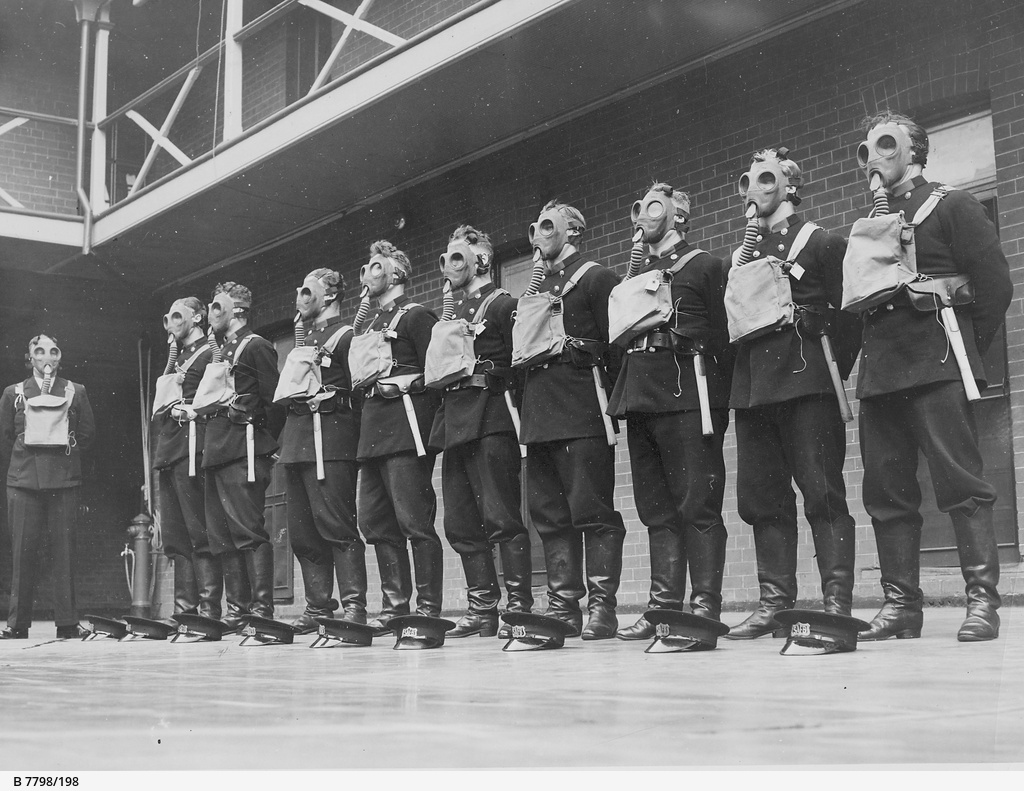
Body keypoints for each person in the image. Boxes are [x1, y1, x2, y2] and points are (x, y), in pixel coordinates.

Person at [851, 111, 1013, 642]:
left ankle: (982, 601)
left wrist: (964, 347)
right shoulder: (865, 225)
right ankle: (901, 606)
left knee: (961, 484)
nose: (874, 158)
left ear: (914, 151)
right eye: (868, 149)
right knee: (887, 494)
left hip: (936, 363)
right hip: (881, 375)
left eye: (886, 145)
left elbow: (994, 285)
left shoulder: (952, 205)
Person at [724, 148, 861, 639]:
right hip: (755, 389)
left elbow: (850, 317)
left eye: (766, 178)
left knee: (822, 492)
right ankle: (774, 603)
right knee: (764, 498)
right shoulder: (741, 259)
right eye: (749, 180)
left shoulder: (822, 243)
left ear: (790, 185)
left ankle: (836, 600)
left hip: (806, 382)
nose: (755, 189)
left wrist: (825, 374)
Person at [608, 184, 733, 640]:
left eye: (655, 207)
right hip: (641, 396)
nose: (645, 215)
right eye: (640, 207)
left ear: (680, 215)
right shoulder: (632, 275)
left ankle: (703, 604)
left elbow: (725, 336)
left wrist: (716, 400)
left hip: (688, 393)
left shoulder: (706, 266)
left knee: (697, 503)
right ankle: (663, 605)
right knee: (656, 509)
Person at [515, 200, 626, 639]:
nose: (540, 235)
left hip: (582, 412)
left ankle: (602, 607)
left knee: (592, 510)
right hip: (540, 417)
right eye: (536, 227)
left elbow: (617, 347)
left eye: (548, 226)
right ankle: (563, 605)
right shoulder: (534, 289)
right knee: (549, 515)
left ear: (573, 231)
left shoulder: (597, 279)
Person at [428, 225, 533, 638]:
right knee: (460, 521)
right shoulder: (450, 313)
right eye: (448, 258)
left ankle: (519, 607)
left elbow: (521, 366)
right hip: (455, 422)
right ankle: (483, 609)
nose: (451, 266)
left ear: (482, 260)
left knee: (501, 516)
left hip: (492, 416)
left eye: (460, 257)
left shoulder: (505, 305)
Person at [350, 241, 444, 634]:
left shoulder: (417, 317)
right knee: (373, 521)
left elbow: (436, 374)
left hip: (406, 432)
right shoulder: (369, 325)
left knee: (414, 521)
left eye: (376, 267)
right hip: (372, 433)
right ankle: (394, 606)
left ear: (397, 275)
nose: (369, 274)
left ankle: (427, 608)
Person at [277, 268, 366, 632]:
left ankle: (354, 607)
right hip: (297, 442)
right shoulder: (302, 341)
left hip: (330, 440)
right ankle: (318, 608)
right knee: (302, 532)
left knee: (338, 527)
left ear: (329, 296)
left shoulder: (347, 336)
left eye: (308, 291)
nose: (301, 298)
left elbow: (359, 392)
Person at [1, 334, 95, 639]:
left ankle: (67, 624)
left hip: (63, 481)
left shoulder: (75, 391)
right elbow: (4, 437)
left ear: (60, 358)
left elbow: (88, 434)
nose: (46, 357)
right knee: (22, 554)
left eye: (53, 352)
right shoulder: (13, 393)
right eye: (39, 351)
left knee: (65, 553)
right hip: (24, 481)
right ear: (29, 358)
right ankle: (17, 625)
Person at [201, 282, 283, 627]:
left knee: (248, 531)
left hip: (243, 447)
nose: (212, 313)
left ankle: (261, 609)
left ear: (238, 311)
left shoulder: (256, 346)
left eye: (219, 306)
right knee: (222, 537)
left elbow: (274, 402)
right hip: (217, 449)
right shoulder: (220, 351)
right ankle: (237, 610)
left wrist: (264, 445)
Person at [151, 298, 218, 622]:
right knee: (176, 536)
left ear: (198, 317)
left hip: (192, 448)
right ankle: (184, 610)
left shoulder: (208, 354)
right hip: (170, 451)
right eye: (169, 316)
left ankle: (207, 609)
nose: (171, 322)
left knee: (198, 530)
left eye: (178, 315)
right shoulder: (179, 356)